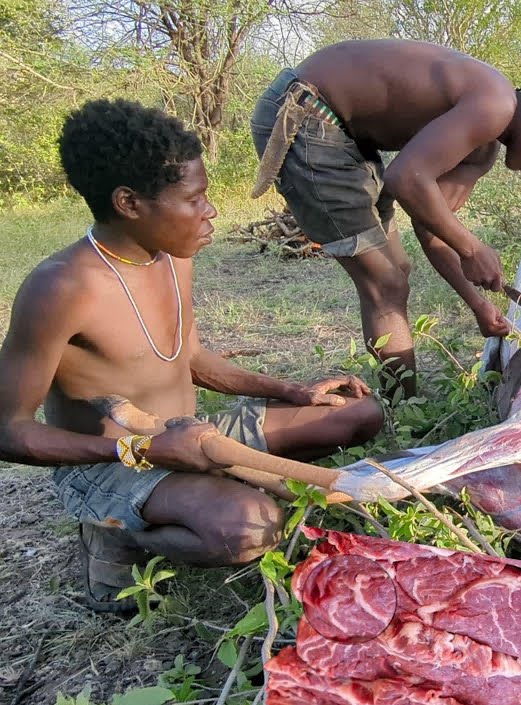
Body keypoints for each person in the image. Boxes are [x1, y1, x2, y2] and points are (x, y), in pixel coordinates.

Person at [0, 99, 385, 612]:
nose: (211, 211)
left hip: (190, 435)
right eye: (195, 199)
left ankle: (201, 485)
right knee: (253, 526)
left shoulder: (170, 254)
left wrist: (290, 391)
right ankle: (116, 535)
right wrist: (144, 452)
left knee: (359, 413)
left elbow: (191, 356)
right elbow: (10, 431)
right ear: (129, 203)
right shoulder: (62, 287)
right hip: (112, 463)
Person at [251, 40, 521, 396]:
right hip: (309, 112)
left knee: (396, 271)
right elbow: (405, 178)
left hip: (343, 131)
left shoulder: (483, 149)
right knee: (385, 285)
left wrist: (479, 304)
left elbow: (430, 224)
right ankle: (400, 411)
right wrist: (472, 247)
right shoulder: (494, 104)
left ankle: (397, 403)